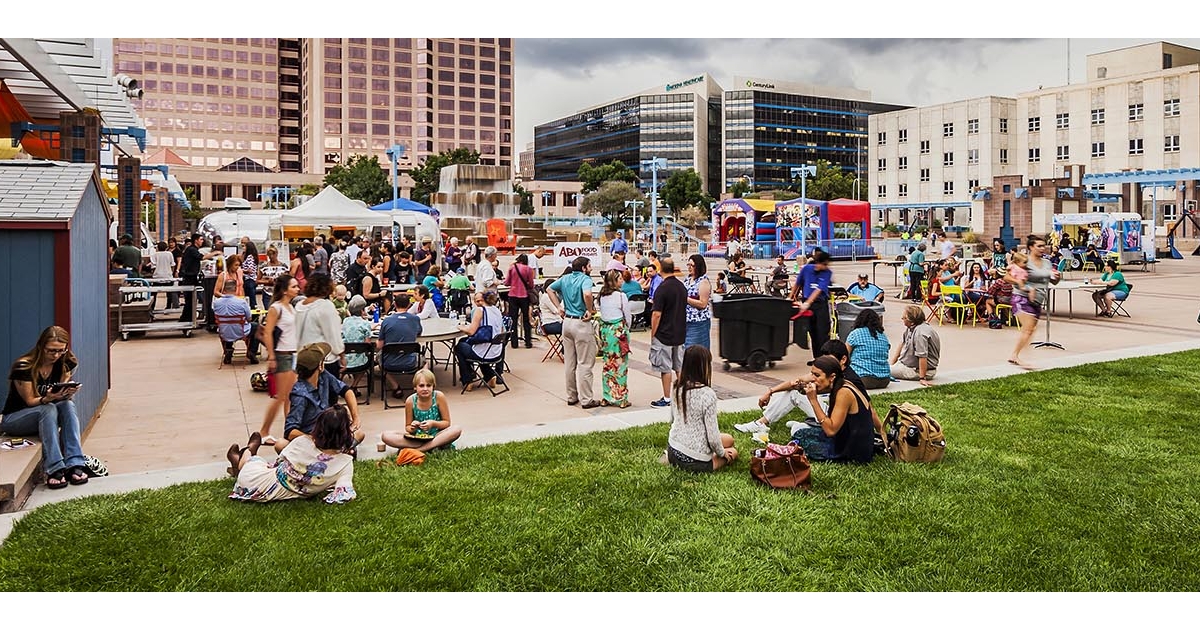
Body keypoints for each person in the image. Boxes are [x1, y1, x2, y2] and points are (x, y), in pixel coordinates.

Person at [1, 326, 88, 489]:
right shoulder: (24, 367)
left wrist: (67, 392)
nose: (55, 355)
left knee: (67, 405)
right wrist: (48, 398)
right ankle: (54, 468)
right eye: (51, 351)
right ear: (41, 347)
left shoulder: (66, 362)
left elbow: (61, 400)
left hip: (48, 415)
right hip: (15, 419)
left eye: (60, 351)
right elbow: (29, 401)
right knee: (47, 408)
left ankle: (75, 463)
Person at [227, 406, 356, 504]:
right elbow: (344, 492)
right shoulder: (345, 463)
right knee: (257, 463)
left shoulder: (302, 442)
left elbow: (277, 464)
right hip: (266, 487)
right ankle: (243, 457)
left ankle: (246, 454)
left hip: (254, 482)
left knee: (255, 461)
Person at [276, 341, 363, 453]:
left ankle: (335, 452)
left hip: (329, 433)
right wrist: (314, 441)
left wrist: (356, 418)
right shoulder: (300, 394)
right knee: (280, 444)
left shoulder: (324, 376)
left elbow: (347, 391)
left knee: (359, 433)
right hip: (310, 439)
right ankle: (338, 452)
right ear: (319, 366)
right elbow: (290, 431)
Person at [787, 355, 875, 463]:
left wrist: (813, 401)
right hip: (849, 441)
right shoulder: (843, 383)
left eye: (817, 375)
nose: (812, 378)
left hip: (852, 452)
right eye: (812, 374)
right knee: (803, 431)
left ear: (832, 377)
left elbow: (830, 431)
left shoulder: (844, 393)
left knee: (799, 436)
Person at [663, 346, 737, 473]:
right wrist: (722, 453)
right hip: (695, 461)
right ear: (704, 367)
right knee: (733, 452)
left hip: (673, 452)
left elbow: (673, 419)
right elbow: (713, 438)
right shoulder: (707, 394)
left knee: (729, 439)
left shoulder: (677, 386)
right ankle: (710, 459)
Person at [547, 256, 599, 408]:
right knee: (585, 363)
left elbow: (549, 289)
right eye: (589, 266)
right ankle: (586, 399)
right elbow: (588, 294)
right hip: (581, 322)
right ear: (583, 268)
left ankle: (571, 395)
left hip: (567, 322)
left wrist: (559, 307)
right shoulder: (585, 279)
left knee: (570, 363)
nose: (591, 269)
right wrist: (589, 310)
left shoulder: (565, 278)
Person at [259, 274, 301, 447]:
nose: (297, 289)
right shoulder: (277, 308)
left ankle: (288, 429)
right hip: (283, 355)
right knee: (281, 396)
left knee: (289, 396)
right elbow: (267, 332)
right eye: (294, 287)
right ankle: (264, 431)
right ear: (284, 290)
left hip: (293, 354)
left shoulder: (291, 307)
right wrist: (271, 355)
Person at [1006, 234, 1060, 369]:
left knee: (1031, 330)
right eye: (1039, 246)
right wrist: (1018, 281)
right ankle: (1016, 356)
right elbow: (1007, 276)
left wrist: (1057, 277)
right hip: (1022, 297)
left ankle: (1016, 355)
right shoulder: (1025, 261)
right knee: (1028, 329)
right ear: (1031, 247)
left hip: (1038, 300)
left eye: (1044, 246)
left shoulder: (1047, 263)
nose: (1043, 249)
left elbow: (1053, 281)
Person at [381, 369, 463, 453]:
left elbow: (447, 423)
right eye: (421, 385)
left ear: (433, 386)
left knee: (456, 429)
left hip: (437, 435)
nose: (425, 389)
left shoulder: (439, 397)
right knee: (386, 436)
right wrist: (413, 426)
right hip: (417, 438)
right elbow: (408, 427)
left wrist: (433, 423)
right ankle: (430, 447)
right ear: (415, 387)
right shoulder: (410, 401)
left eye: (428, 385)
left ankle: (420, 450)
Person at [649, 257, 687, 408]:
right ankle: (684, 395)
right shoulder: (681, 287)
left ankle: (667, 398)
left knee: (665, 368)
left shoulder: (662, 289)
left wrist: (653, 333)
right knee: (679, 366)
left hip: (664, 334)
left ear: (660, 270)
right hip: (679, 332)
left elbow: (656, 314)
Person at [294, 274, 346, 379]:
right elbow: (333, 334)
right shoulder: (326, 306)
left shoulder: (299, 305)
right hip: (324, 359)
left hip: (303, 357)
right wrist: (341, 355)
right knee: (327, 393)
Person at [456, 291, 507, 391]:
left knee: (459, 347)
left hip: (484, 352)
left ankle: (468, 380)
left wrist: (460, 327)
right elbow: (501, 330)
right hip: (497, 351)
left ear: (483, 300)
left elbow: (471, 331)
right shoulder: (496, 310)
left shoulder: (480, 310)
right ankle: (489, 374)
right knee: (465, 341)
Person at [597, 269, 632, 408]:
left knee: (608, 365)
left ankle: (607, 396)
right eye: (619, 279)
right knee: (621, 365)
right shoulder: (621, 296)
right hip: (618, 331)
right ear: (614, 281)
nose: (622, 281)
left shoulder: (601, 295)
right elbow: (627, 315)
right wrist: (627, 328)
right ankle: (621, 397)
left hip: (606, 331)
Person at [377, 292, 425, 395]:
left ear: (394, 304)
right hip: (411, 361)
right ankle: (420, 385)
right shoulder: (415, 319)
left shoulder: (387, 321)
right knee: (425, 362)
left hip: (389, 362)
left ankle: (395, 386)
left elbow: (379, 346)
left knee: (378, 357)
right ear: (409, 305)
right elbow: (419, 332)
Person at [791, 249, 833, 359]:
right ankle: (817, 358)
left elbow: (819, 289)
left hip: (820, 304)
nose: (825, 266)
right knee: (813, 331)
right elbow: (797, 284)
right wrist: (790, 297)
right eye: (824, 264)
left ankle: (825, 358)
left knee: (822, 332)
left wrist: (808, 303)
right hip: (807, 303)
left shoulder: (827, 273)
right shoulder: (806, 269)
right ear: (817, 263)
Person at [890, 304, 941, 385]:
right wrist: (893, 364)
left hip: (916, 370)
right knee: (885, 368)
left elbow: (922, 356)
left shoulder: (920, 334)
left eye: (904, 318)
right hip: (907, 365)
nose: (902, 319)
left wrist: (922, 378)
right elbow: (902, 343)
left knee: (882, 371)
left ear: (912, 321)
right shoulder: (911, 328)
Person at [214, 279, 262, 364]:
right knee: (256, 327)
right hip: (241, 331)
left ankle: (228, 350)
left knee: (228, 326)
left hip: (224, 332)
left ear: (224, 290)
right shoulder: (241, 302)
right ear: (235, 289)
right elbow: (249, 318)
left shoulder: (216, 303)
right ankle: (252, 351)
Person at [844, 308, 891, 389]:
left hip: (863, 379)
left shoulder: (855, 334)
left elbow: (844, 355)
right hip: (884, 380)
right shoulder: (883, 336)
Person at [341, 295, 373, 391]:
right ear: (362, 310)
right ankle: (354, 385)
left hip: (344, 359)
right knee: (366, 358)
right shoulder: (365, 323)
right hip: (359, 360)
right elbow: (367, 344)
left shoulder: (345, 321)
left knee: (356, 353)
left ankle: (340, 383)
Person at [507, 254, 537, 349]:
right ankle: (528, 342)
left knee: (513, 319)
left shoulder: (512, 268)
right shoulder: (528, 269)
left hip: (513, 294)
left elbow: (507, 282)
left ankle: (514, 343)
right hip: (524, 295)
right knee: (526, 319)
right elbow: (531, 284)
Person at [683, 254, 713, 349]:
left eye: (692, 265)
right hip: (686, 320)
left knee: (696, 349)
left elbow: (703, 303)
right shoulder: (687, 280)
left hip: (698, 321)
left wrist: (686, 299)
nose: (689, 268)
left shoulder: (703, 281)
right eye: (688, 265)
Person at [178, 233, 205, 322]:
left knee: (192, 301)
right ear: (196, 240)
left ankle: (187, 319)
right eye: (201, 239)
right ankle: (185, 320)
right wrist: (215, 253)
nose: (202, 241)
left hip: (192, 277)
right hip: (189, 278)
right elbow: (202, 257)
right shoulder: (192, 250)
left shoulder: (193, 249)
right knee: (189, 301)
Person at [150, 241, 179, 309]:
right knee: (169, 294)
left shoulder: (154, 255)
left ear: (158, 247)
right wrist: (171, 272)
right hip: (168, 276)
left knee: (154, 294)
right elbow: (172, 265)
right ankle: (168, 307)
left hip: (157, 277)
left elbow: (153, 267)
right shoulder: (169, 254)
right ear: (166, 247)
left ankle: (152, 307)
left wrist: (154, 273)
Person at [240, 240, 261, 309]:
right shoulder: (253, 257)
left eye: (245, 246)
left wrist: (240, 270)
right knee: (251, 299)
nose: (243, 248)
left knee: (250, 300)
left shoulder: (250, 257)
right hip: (252, 280)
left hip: (249, 280)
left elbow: (250, 270)